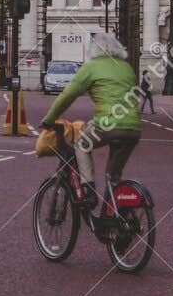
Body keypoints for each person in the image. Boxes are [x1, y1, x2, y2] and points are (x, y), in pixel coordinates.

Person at [40, 30, 143, 217]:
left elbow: (67, 96)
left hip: (107, 123)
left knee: (81, 144)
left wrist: (49, 119)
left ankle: (88, 188)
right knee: (113, 176)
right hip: (133, 128)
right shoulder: (127, 68)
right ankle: (113, 219)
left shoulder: (92, 67)